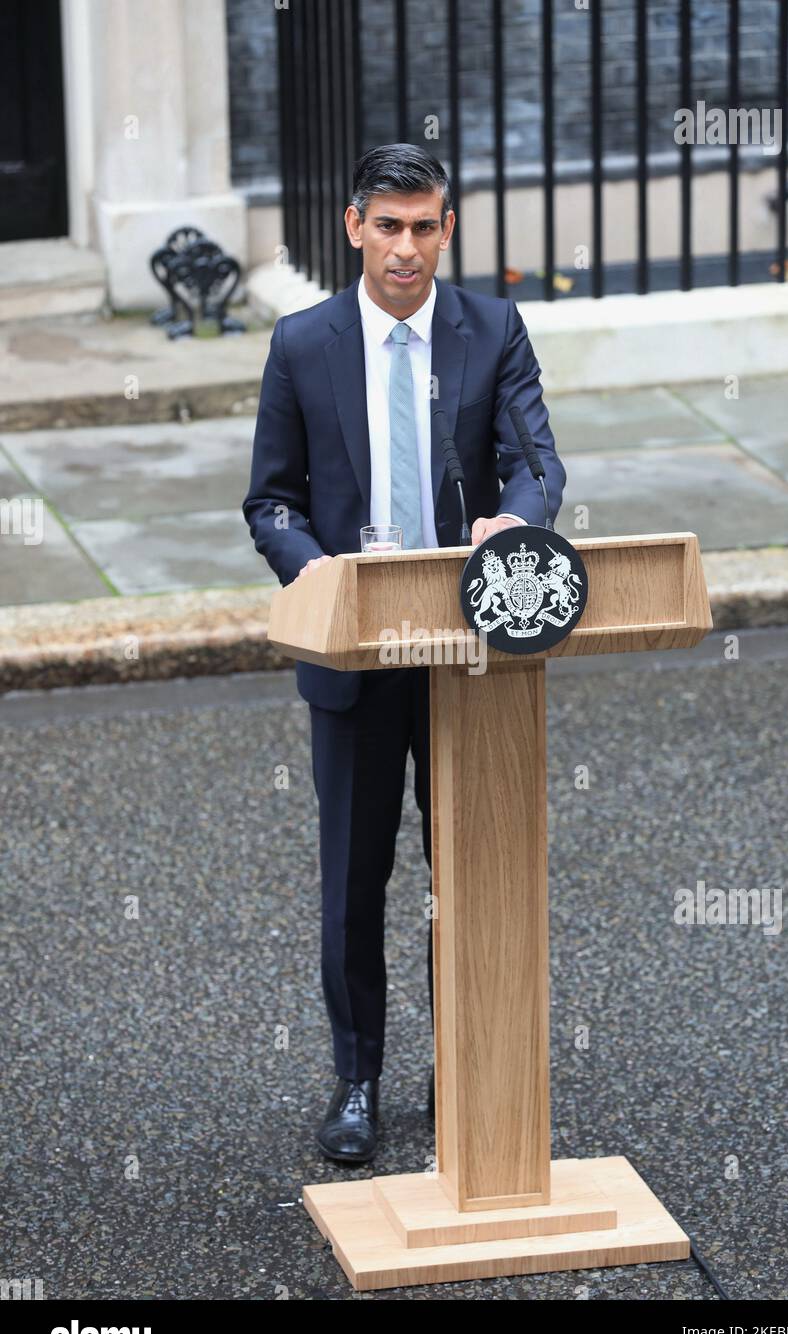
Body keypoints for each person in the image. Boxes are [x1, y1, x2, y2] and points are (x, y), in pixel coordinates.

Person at [242, 142, 566, 1164]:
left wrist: (512, 523)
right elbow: (271, 498)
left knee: (464, 870)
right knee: (355, 877)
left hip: (468, 652)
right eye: (387, 226)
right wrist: (316, 575)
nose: (405, 249)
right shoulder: (302, 343)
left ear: (445, 229)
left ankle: (461, 1059)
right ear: (353, 227)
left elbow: (533, 461)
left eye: (424, 226)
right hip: (354, 652)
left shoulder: (491, 328)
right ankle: (356, 1078)